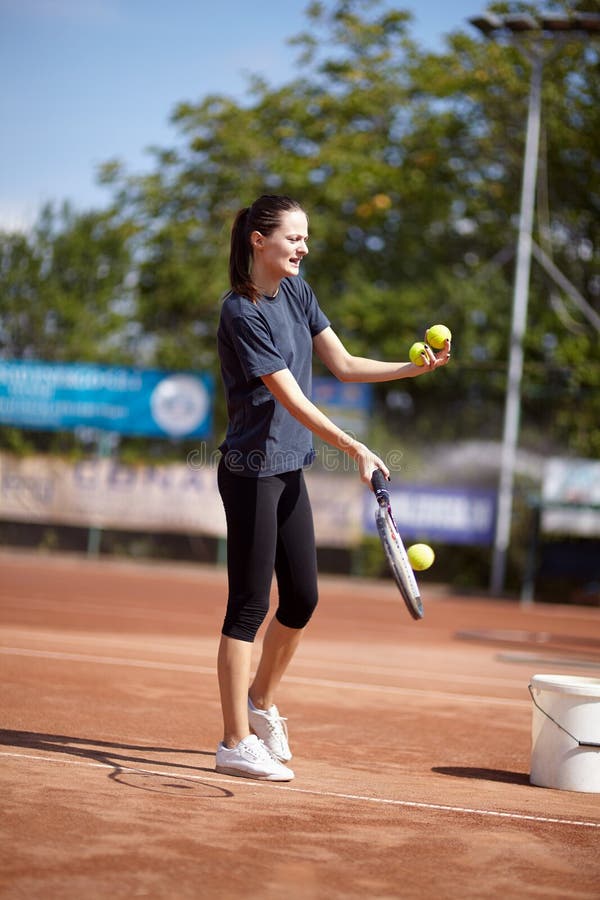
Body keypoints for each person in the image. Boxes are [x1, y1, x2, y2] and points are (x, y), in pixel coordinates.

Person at [215, 194, 450, 781]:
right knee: (248, 606)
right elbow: (290, 396)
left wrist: (411, 368)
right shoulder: (241, 313)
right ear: (258, 241)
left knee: (302, 599)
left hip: (288, 465)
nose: (303, 246)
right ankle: (233, 742)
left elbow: (342, 365)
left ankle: (261, 701)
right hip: (250, 470)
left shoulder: (297, 292)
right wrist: (357, 449)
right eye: (293, 237)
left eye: (305, 237)